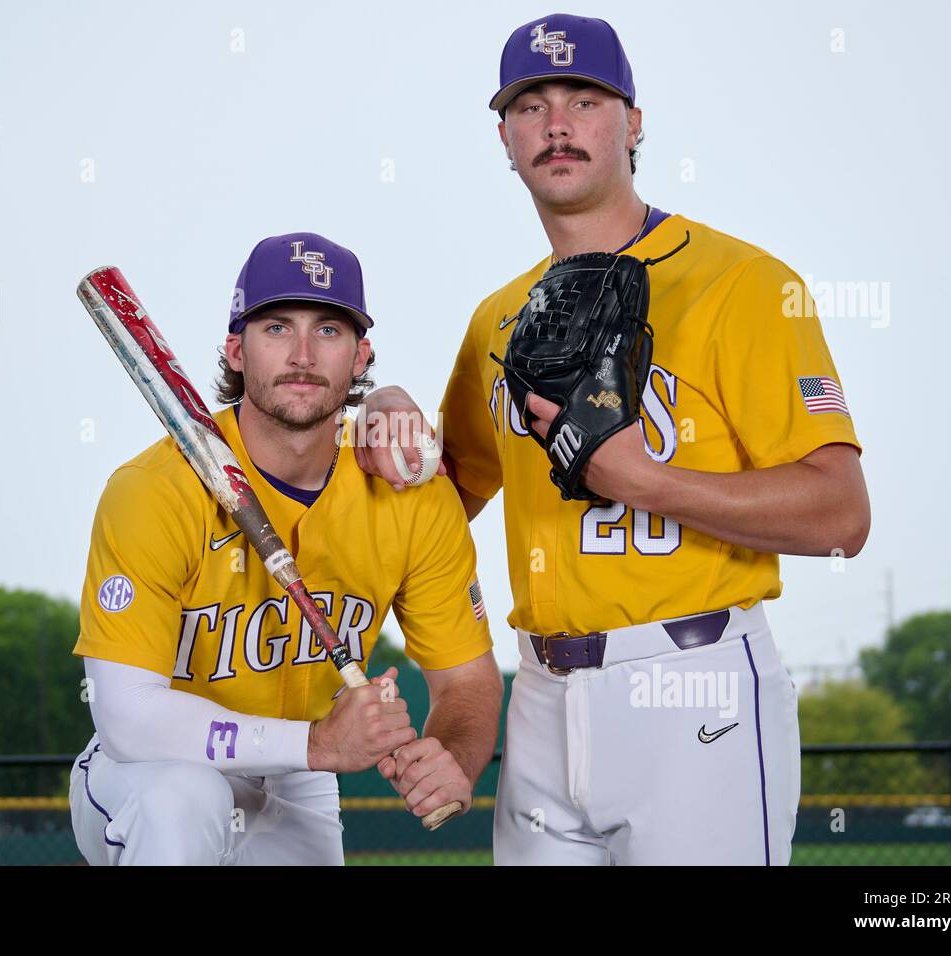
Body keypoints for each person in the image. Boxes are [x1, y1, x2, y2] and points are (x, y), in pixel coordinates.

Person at [355, 15, 871, 865]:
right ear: (505, 138)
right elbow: (438, 501)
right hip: (541, 697)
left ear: (633, 124)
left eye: (585, 99)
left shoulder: (744, 284)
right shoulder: (498, 318)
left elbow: (842, 514)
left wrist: (648, 480)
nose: (557, 124)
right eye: (531, 105)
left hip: (693, 682)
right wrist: (386, 404)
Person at [68, 232, 503, 865]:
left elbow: (466, 680)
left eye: (328, 331)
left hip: (295, 777)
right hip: (155, 764)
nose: (302, 355)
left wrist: (452, 760)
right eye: (277, 328)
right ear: (236, 350)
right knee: (183, 803)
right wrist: (321, 745)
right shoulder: (154, 490)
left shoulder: (411, 493)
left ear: (362, 357)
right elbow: (128, 719)